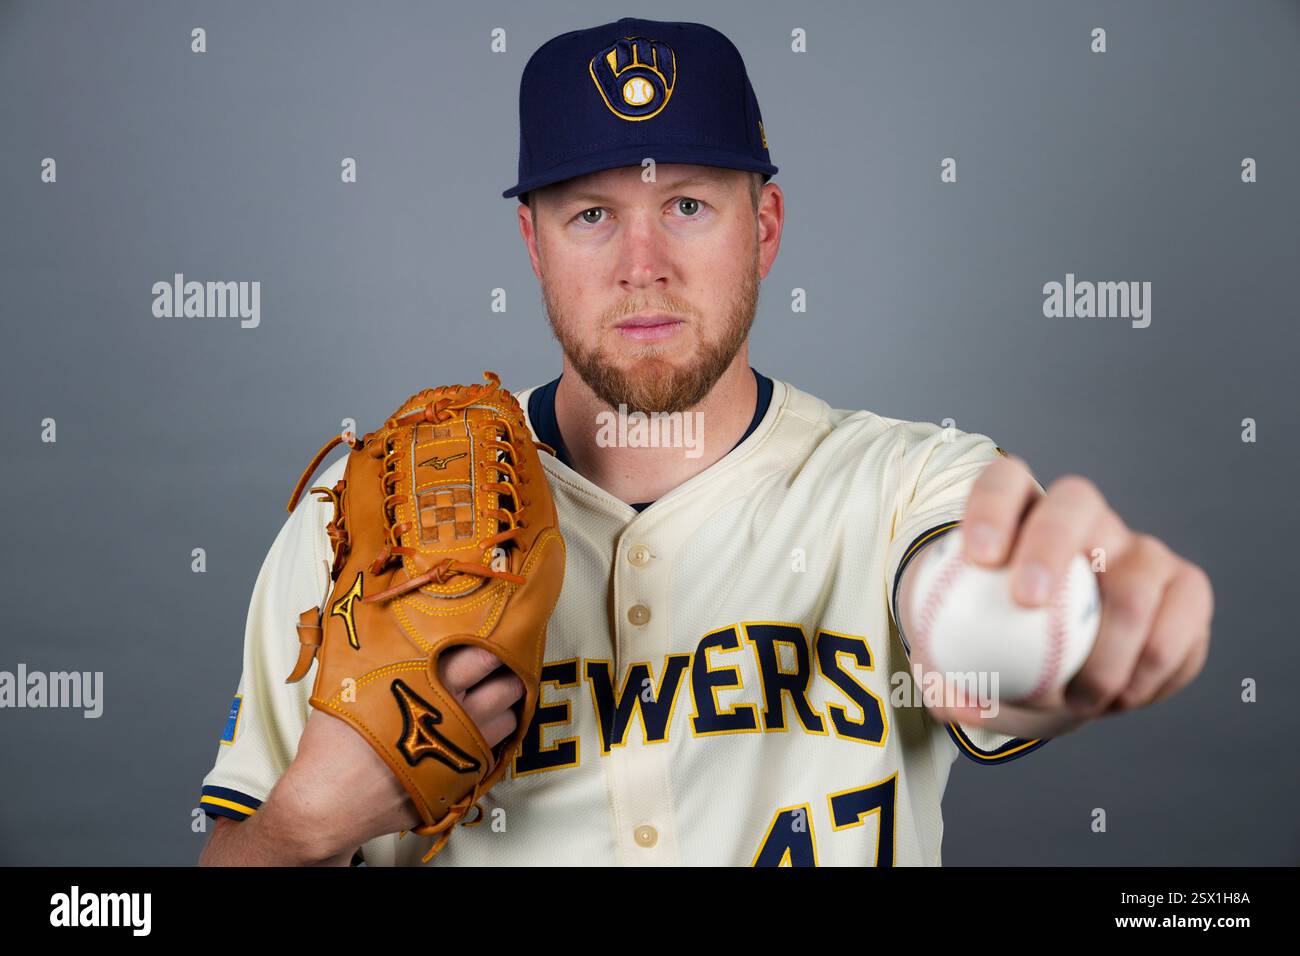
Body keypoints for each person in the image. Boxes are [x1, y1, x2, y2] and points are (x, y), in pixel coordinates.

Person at [197, 17, 1212, 866]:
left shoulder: (909, 480)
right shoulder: (362, 514)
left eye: (687, 204)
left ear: (764, 226)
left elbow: (969, 602)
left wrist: (1039, 621)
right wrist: (305, 822)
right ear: (533, 244)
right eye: (592, 212)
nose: (644, 265)